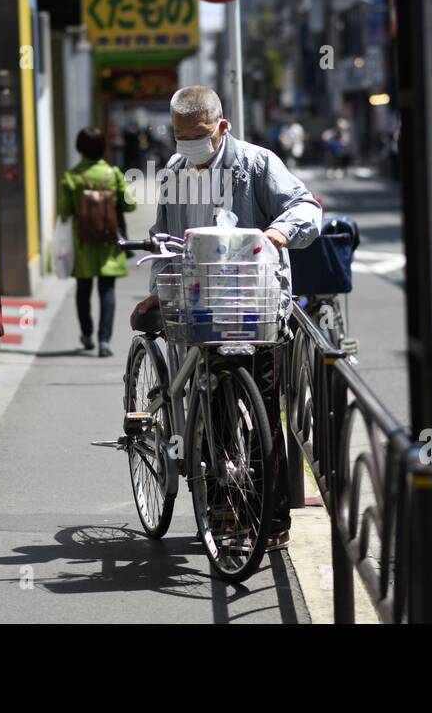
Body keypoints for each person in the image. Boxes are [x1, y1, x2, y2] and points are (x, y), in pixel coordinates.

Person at [132, 86, 322, 549]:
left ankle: (271, 522)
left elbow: (307, 208)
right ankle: (222, 512)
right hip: (198, 311)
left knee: (262, 418)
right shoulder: (175, 171)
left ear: (222, 128)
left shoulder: (256, 164)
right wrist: (158, 292)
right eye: (179, 135)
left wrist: (277, 233)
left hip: (253, 312)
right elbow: (164, 238)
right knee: (210, 412)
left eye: (197, 135)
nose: (187, 144)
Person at [59, 127, 136, 358]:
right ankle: (105, 341)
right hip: (108, 241)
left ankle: (87, 335)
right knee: (107, 289)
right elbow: (130, 205)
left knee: (83, 289)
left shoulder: (71, 177)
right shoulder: (112, 174)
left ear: (79, 148)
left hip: (82, 243)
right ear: (103, 147)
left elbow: (64, 211)